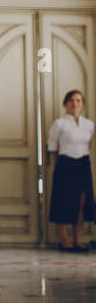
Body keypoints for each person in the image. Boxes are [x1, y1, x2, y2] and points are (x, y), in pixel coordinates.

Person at [46, 89, 95, 252]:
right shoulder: (59, 124)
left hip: (83, 164)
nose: (75, 104)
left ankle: (77, 240)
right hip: (65, 164)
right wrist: (63, 161)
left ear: (83, 104)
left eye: (78, 100)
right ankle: (64, 240)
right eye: (71, 101)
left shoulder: (89, 124)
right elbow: (52, 147)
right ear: (65, 104)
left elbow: (88, 145)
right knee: (64, 201)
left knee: (82, 202)